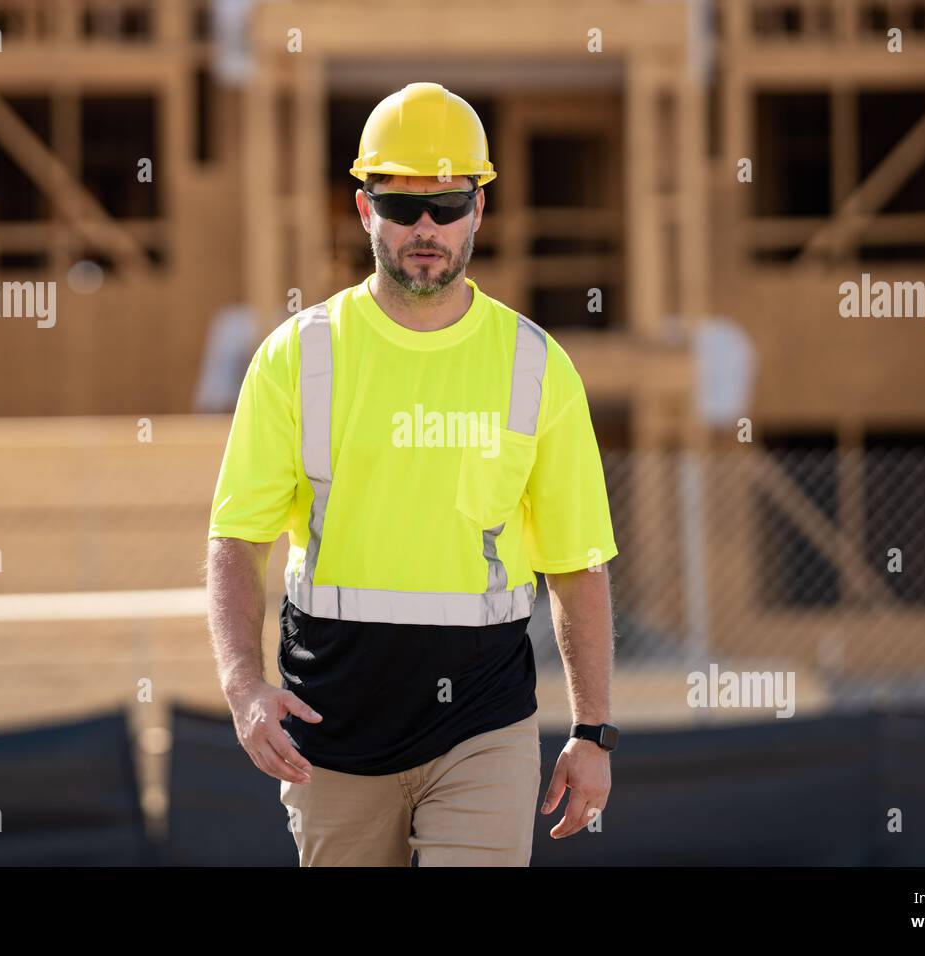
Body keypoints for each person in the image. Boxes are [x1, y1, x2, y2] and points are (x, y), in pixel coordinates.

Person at [206, 81, 619, 866]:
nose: (424, 229)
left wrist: (591, 729)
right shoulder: (298, 357)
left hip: (483, 726)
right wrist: (243, 687)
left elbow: (578, 563)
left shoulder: (537, 367)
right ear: (365, 210)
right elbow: (237, 537)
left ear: (478, 208)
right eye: (400, 207)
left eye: (446, 204)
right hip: (332, 730)